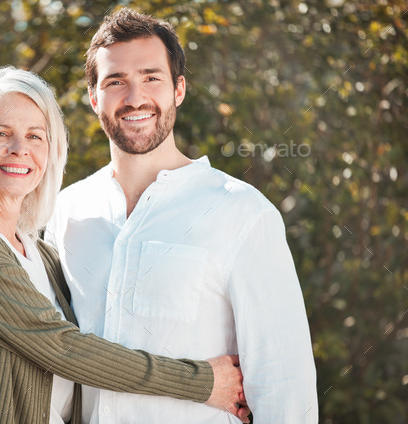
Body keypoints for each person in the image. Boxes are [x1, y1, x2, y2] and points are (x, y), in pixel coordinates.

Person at [0, 66, 250, 424]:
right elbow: (63, 348)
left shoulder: (43, 254)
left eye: (36, 136)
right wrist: (202, 382)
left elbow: (72, 352)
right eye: (1, 133)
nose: (20, 149)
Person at [44, 8, 319, 423]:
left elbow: (284, 384)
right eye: (116, 81)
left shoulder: (241, 212)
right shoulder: (68, 210)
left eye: (151, 77)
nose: (135, 97)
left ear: (179, 89)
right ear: (93, 97)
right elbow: (41, 347)